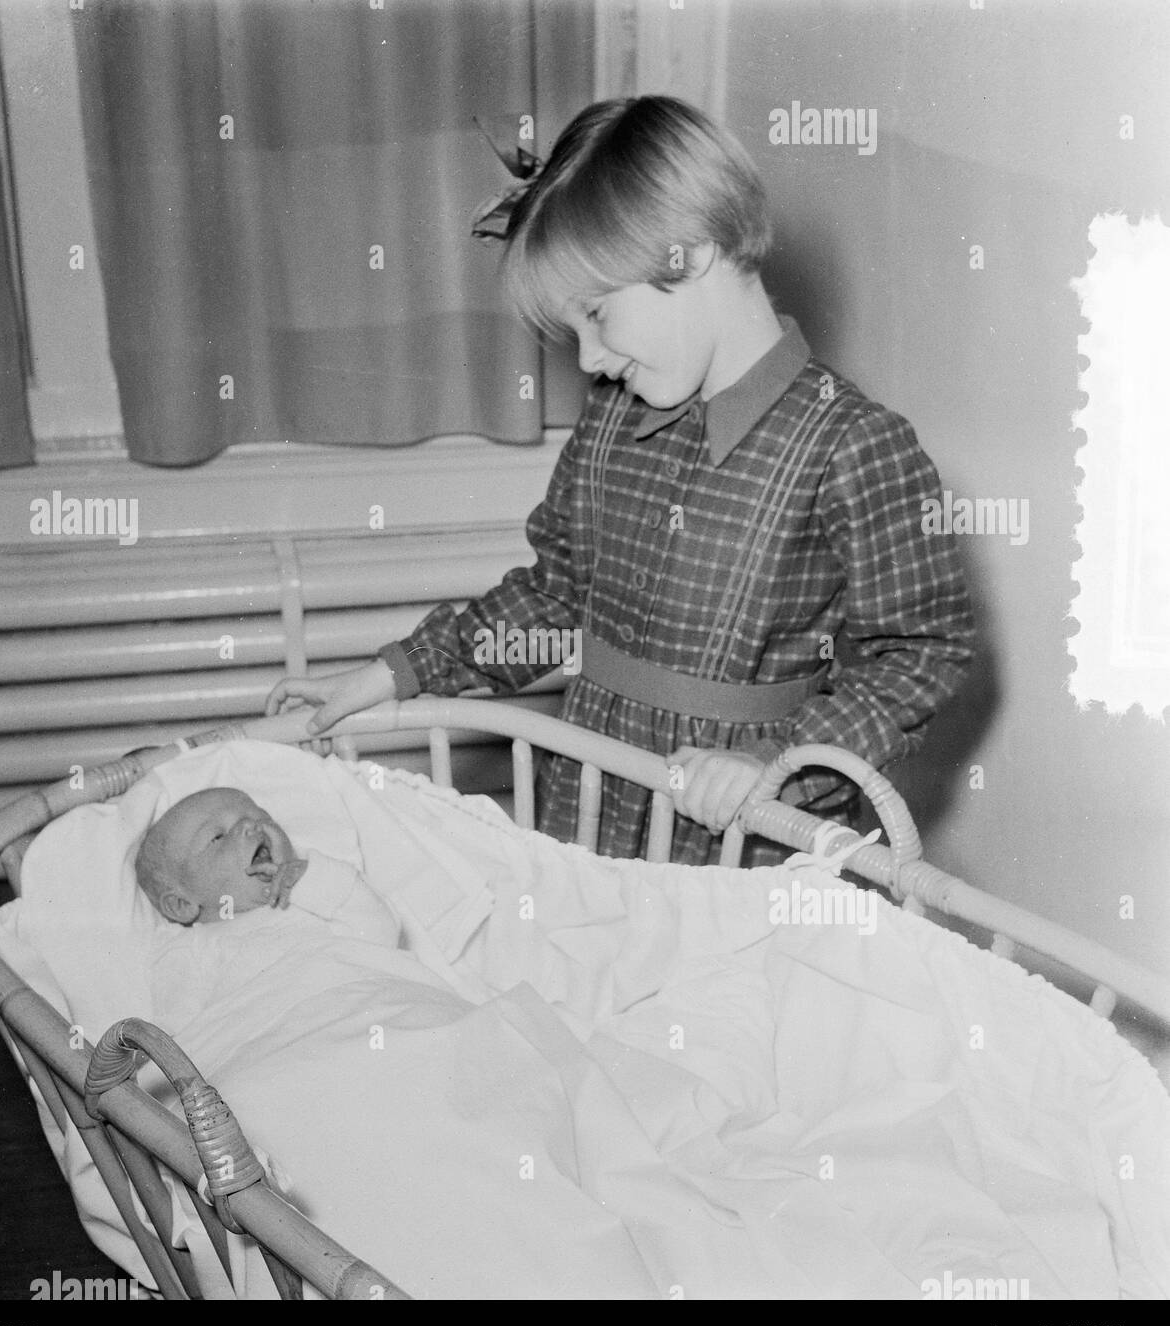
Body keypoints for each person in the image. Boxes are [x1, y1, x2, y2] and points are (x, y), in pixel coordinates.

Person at [267, 95, 975, 864]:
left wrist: (781, 764)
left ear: (691, 253)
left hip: (737, 833)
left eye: (598, 316)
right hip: (592, 797)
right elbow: (553, 600)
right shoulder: (610, 422)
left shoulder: (854, 444)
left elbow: (918, 655)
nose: (590, 361)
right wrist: (390, 674)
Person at [135, 787, 395, 938]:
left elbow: (382, 932)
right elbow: (178, 1026)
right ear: (182, 904)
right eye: (217, 836)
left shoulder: (315, 906)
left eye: (259, 816)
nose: (250, 825)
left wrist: (311, 879)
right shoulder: (187, 950)